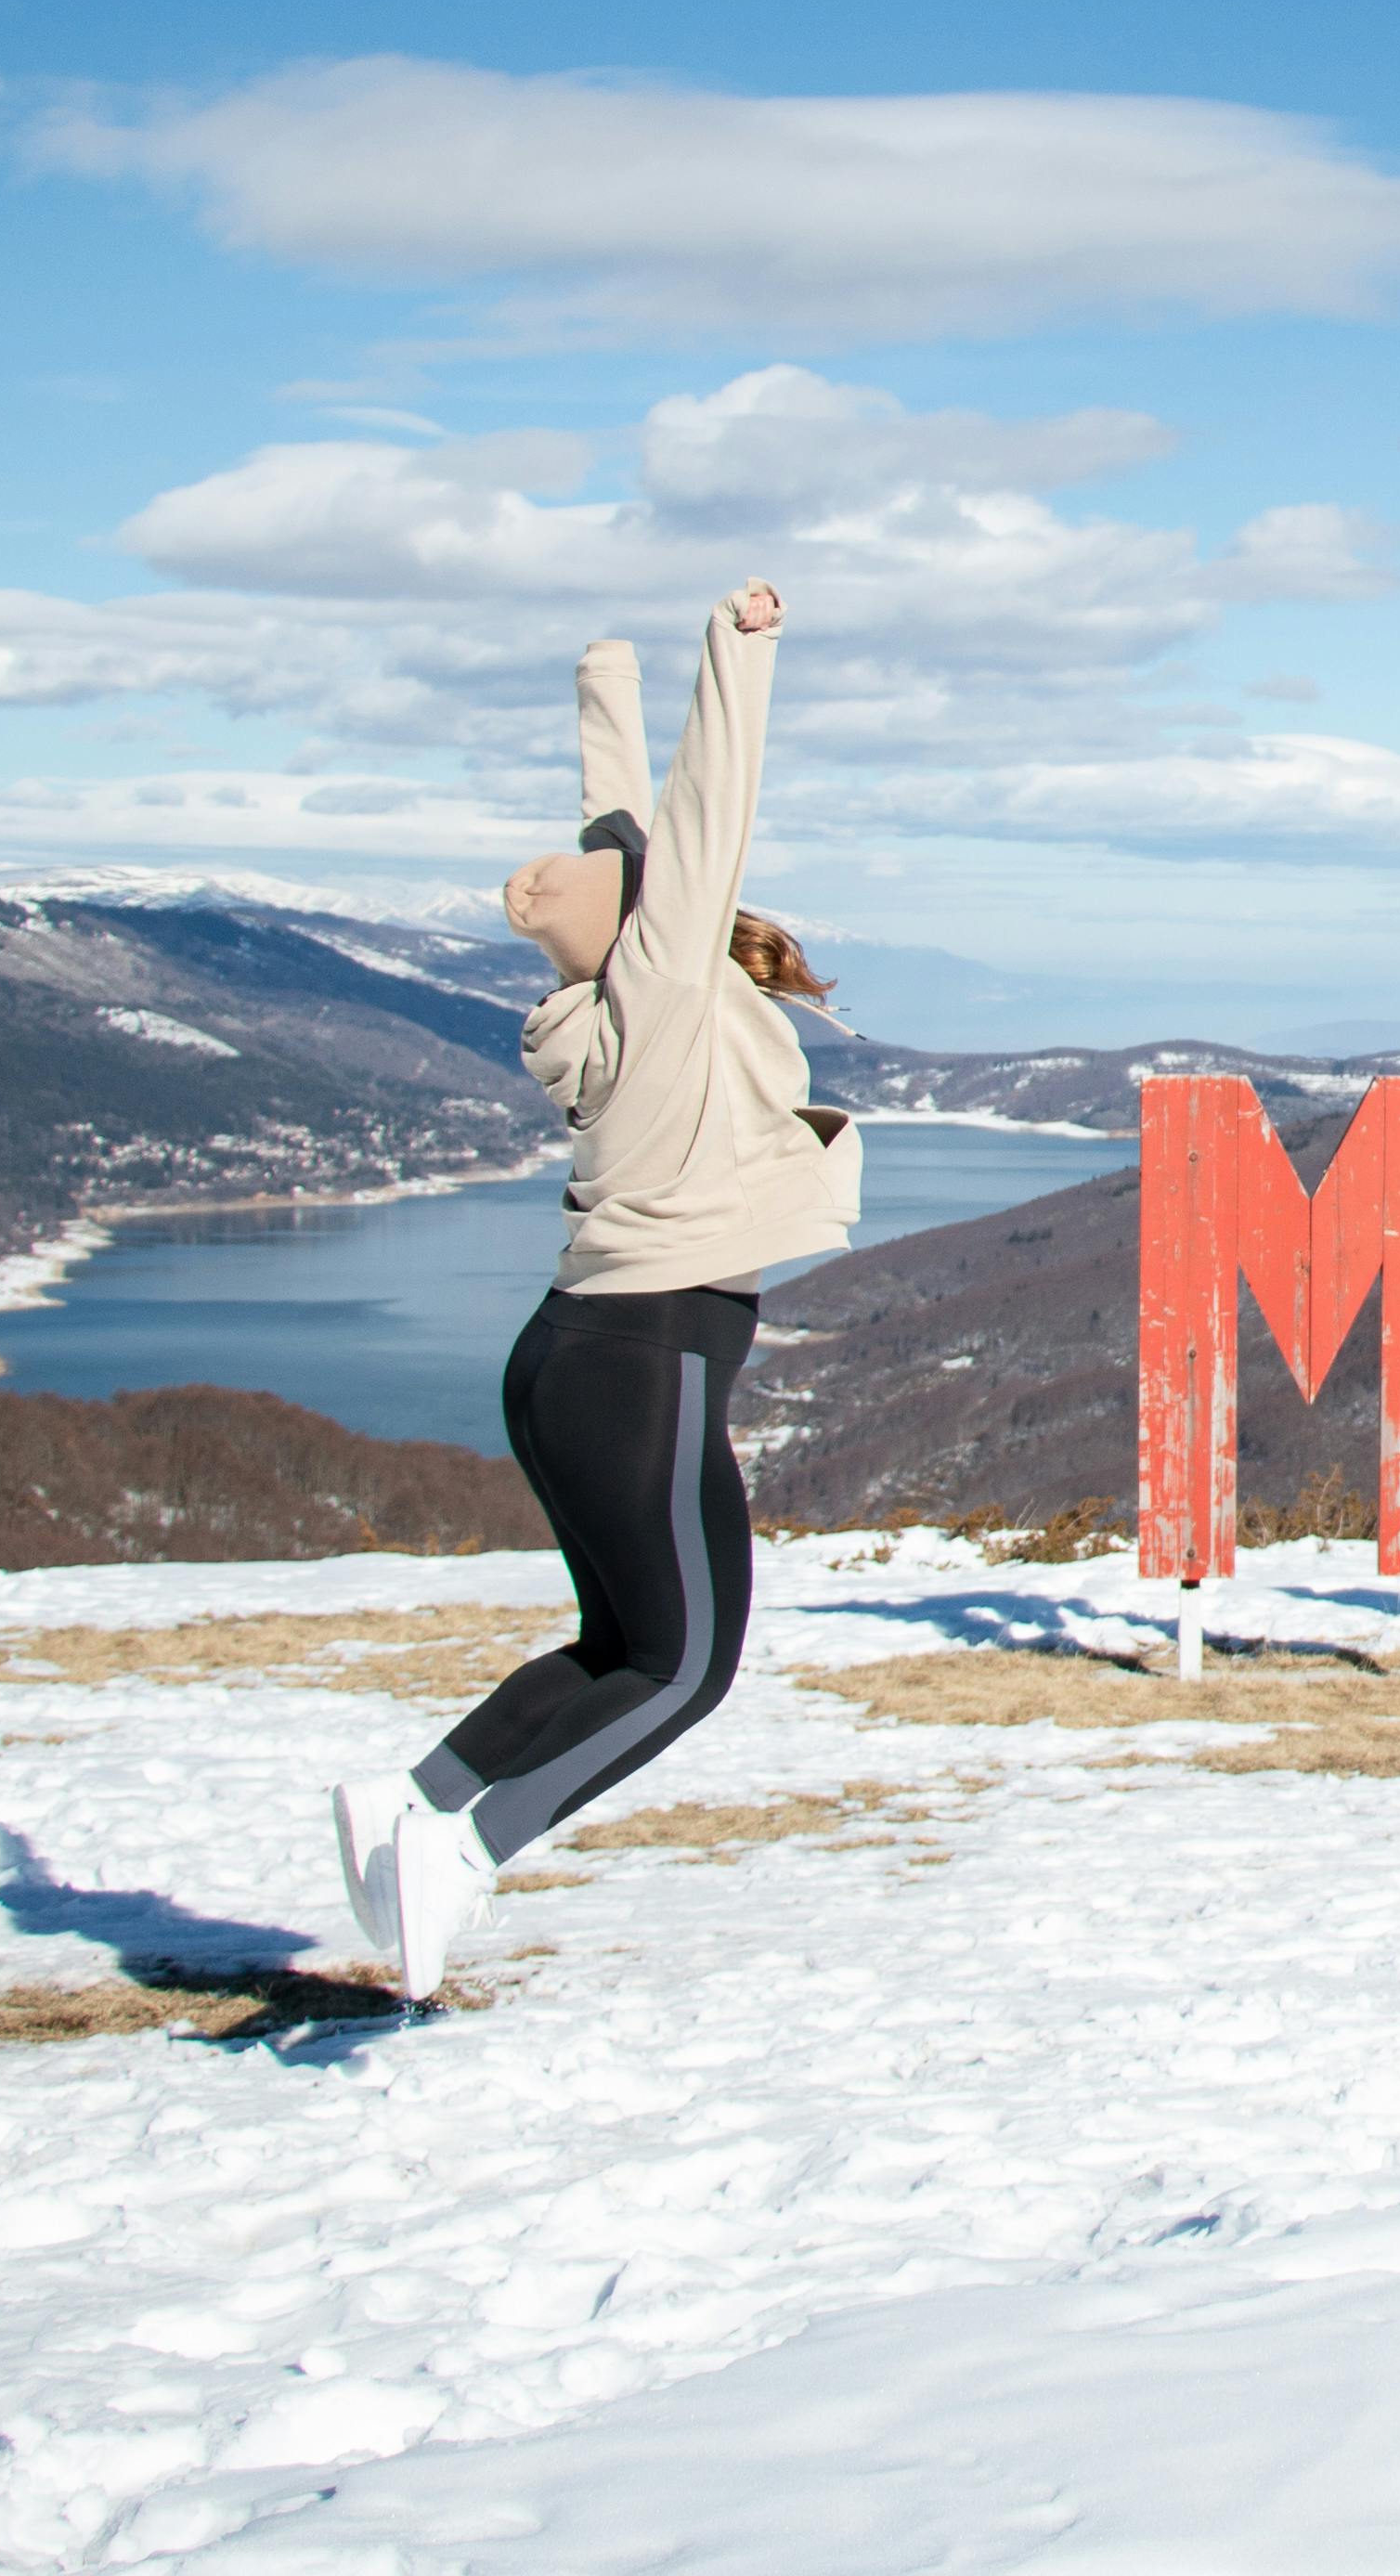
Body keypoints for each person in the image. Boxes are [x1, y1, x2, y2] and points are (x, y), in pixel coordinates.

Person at [330, 577, 864, 1999]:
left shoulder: (594, 1013)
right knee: (684, 1669)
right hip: (651, 1356)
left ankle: (416, 1807)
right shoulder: (673, 987)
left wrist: (601, 690)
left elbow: (620, 832)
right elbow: (696, 816)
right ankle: (471, 1844)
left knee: (622, 1642)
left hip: (572, 1360)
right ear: (652, 924)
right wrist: (737, 656)